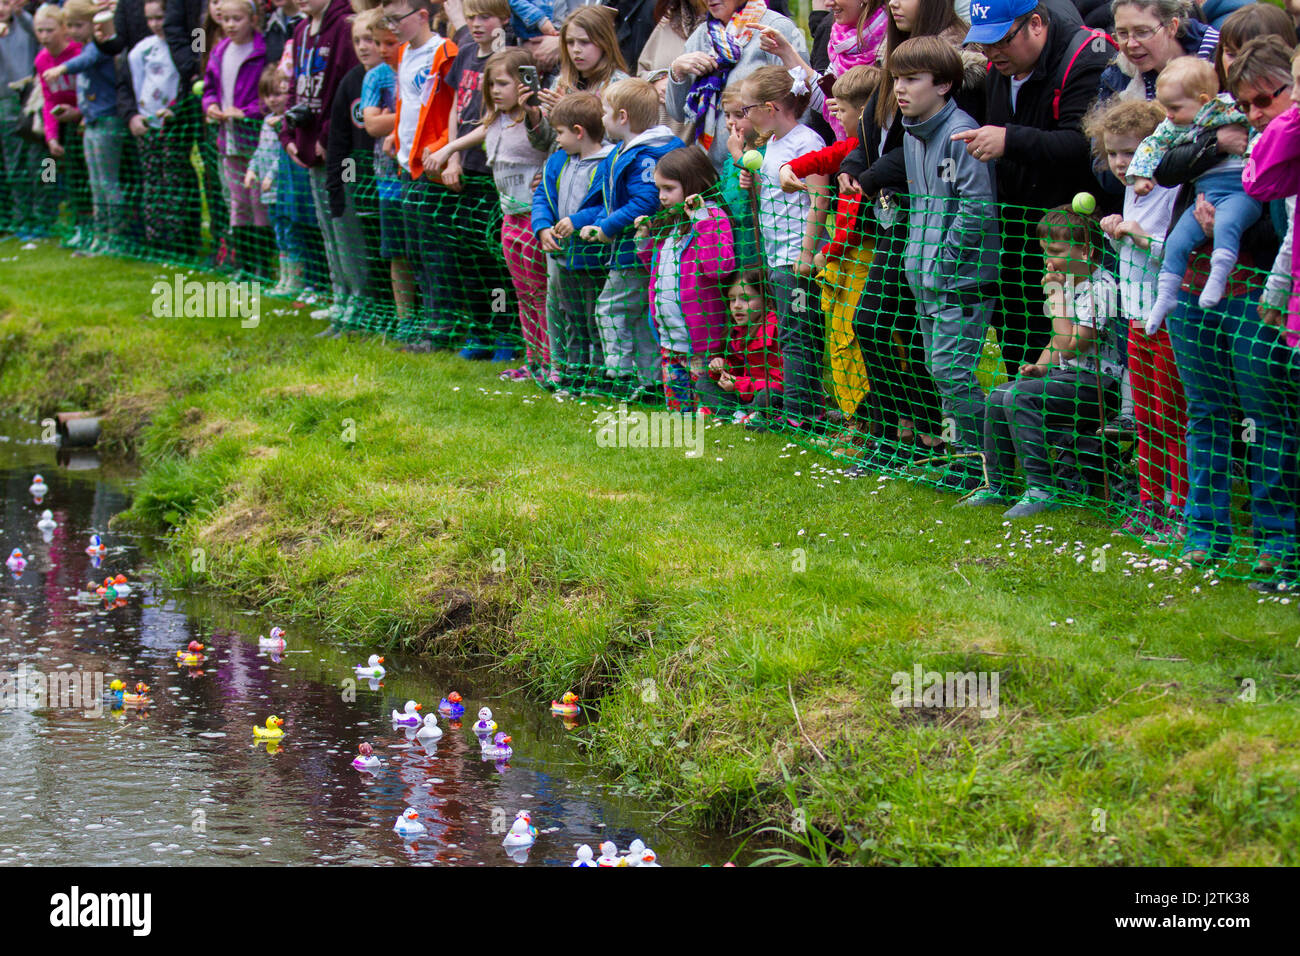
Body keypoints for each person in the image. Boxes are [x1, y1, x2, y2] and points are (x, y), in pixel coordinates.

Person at [1155, 34, 1295, 575]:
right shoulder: (1215, 116)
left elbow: (1286, 231)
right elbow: (1167, 165)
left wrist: (1239, 227)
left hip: (1255, 290)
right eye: (1246, 99)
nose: (1254, 112)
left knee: (1266, 414)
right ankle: (1204, 531)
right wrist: (1218, 144)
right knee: (1206, 411)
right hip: (1192, 286)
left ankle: (1278, 538)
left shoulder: (1285, 135)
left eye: (1264, 99)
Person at [837, 0, 973, 466]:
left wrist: (871, 175)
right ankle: (900, 425)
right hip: (901, 226)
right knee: (876, 324)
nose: (893, 3)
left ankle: (940, 438)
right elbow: (869, 135)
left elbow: (939, 159)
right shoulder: (890, 72)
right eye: (897, 79)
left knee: (908, 336)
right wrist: (854, 164)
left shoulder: (951, 65)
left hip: (928, 230)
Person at [958, 0, 1111, 379]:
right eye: (983, 45)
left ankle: (1076, 434)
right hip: (1016, 227)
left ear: (1036, 24)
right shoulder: (998, 69)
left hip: (1069, 234)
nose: (992, 54)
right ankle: (1023, 419)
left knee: (1068, 341)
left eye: (1002, 41)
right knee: (1015, 332)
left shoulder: (1086, 59)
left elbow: (1084, 146)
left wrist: (1010, 141)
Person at [966, 207, 1123, 517]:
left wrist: (1058, 302)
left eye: (1056, 251)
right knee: (999, 395)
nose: (1048, 260)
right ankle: (997, 484)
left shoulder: (1100, 288)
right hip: (1071, 379)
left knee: (1020, 397)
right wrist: (1040, 367)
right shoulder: (1068, 282)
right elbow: (1056, 342)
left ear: (1087, 251)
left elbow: (1072, 345)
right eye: (1044, 252)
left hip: (1101, 388)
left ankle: (1041, 487)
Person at [892, 35, 999, 490]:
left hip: (961, 283)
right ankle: (964, 460)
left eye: (912, 79)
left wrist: (944, 261)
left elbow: (978, 207)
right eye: (896, 77)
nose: (900, 88)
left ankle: (991, 467)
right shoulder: (912, 132)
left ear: (944, 85)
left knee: (952, 372)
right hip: (926, 281)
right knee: (942, 374)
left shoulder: (961, 134)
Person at [1087, 95, 1186, 540]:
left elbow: (1175, 256)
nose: (1122, 163)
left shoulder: (1171, 191)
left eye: (1131, 151)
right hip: (1134, 318)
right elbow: (1132, 256)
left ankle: (1179, 506)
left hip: (1164, 320)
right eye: (1113, 153)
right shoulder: (1130, 192)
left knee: (1171, 417)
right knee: (1144, 417)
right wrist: (1116, 234)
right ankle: (1149, 503)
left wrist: (1140, 237)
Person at [438, 47, 553, 380]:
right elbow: (480, 132)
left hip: (535, 218)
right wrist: (449, 148)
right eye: (490, 85)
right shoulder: (496, 119)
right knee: (522, 293)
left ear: (523, 83)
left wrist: (533, 110)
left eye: (503, 83)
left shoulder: (534, 117)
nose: (495, 91)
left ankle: (551, 362)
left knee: (540, 291)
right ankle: (534, 360)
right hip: (510, 219)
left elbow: (547, 138)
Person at [570, 77, 683, 401]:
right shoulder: (622, 152)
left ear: (622, 117)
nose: (602, 119)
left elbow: (645, 202)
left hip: (637, 250)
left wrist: (607, 228)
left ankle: (619, 373)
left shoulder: (647, 156)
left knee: (610, 309)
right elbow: (606, 201)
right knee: (634, 313)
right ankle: (649, 381)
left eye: (605, 112)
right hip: (626, 249)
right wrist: (579, 221)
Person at [779, 64, 875, 437]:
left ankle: (865, 422)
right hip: (842, 258)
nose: (837, 118)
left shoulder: (873, 153)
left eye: (843, 112)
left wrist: (828, 251)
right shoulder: (853, 147)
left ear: (864, 113)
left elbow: (857, 221)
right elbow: (827, 156)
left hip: (859, 259)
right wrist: (792, 167)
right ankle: (857, 418)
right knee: (838, 335)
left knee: (850, 336)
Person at [1128, 56, 1258, 320]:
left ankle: (1218, 275)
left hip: (1238, 191)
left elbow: (1258, 131)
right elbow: (1153, 144)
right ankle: (1165, 296)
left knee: (1225, 225)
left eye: (1174, 107)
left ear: (1202, 101)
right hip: (1204, 195)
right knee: (1176, 241)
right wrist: (1141, 174)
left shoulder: (1231, 109)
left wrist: (1250, 156)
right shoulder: (1175, 124)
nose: (1168, 114)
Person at [737, 63, 828, 430]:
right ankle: (799, 409)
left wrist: (806, 255)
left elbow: (819, 200)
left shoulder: (807, 142)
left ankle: (802, 415)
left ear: (770, 107)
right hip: (777, 256)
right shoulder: (771, 144)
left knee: (798, 335)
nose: (744, 117)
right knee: (791, 332)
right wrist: (751, 182)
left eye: (747, 109)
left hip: (796, 260)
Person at [433, 0, 519, 360]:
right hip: (463, 168)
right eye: (471, 18)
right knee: (466, 255)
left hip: (493, 172)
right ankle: (479, 329)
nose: (477, 24)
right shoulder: (466, 50)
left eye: (485, 17)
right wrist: (453, 155)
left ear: (504, 19)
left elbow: (495, 118)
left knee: (493, 259)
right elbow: (455, 106)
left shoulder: (508, 59)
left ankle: (505, 334)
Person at [380, 0, 457, 351]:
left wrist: (443, 146)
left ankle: (442, 329)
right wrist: (396, 136)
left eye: (397, 19)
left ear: (422, 15)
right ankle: (428, 323)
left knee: (435, 250)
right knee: (414, 249)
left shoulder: (444, 51)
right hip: (406, 164)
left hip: (433, 167)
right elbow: (406, 104)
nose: (392, 27)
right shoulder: (402, 54)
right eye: (387, 20)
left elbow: (458, 106)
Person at [634, 145, 735, 411]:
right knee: (679, 412)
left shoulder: (711, 216)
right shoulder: (671, 223)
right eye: (659, 189)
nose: (662, 197)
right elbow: (660, 272)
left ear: (691, 183)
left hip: (702, 344)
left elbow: (718, 267)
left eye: (669, 188)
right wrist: (645, 242)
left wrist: (701, 220)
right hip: (670, 340)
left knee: (708, 412)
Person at [282, 0, 361, 326]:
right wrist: (287, 133)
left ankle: (359, 301)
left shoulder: (344, 26)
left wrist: (327, 137)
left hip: (336, 148)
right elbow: (292, 86)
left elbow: (343, 88)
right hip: (306, 143)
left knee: (344, 226)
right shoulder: (300, 29)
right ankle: (339, 296)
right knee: (326, 227)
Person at [665, 0, 806, 172]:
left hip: (765, 168)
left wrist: (791, 165)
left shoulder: (775, 28)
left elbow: (801, 101)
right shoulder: (702, 36)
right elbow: (678, 113)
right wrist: (677, 72)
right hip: (713, 171)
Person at [531, 91, 612, 392]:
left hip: (592, 258)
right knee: (570, 316)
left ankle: (601, 376)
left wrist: (578, 222)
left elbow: (609, 205)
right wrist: (542, 227)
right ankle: (572, 374)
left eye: (560, 133)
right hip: (561, 256)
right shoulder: (557, 161)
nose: (558, 139)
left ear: (579, 132)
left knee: (595, 318)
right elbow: (542, 197)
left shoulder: (609, 163)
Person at [44, 0, 125, 254]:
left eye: (78, 25)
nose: (73, 31)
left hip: (106, 121)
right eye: (69, 26)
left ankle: (115, 237)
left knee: (108, 182)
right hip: (90, 122)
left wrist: (62, 68)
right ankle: (100, 236)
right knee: (96, 182)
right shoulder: (87, 48)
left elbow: (86, 61)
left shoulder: (99, 47)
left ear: (93, 24)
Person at [323, 8, 385, 334]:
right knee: (359, 249)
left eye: (371, 40)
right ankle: (361, 314)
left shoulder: (394, 77)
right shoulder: (351, 82)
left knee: (389, 252)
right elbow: (339, 142)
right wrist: (341, 188)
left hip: (390, 183)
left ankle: (393, 316)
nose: (363, 47)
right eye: (358, 40)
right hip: (359, 184)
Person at [202, 0, 273, 280]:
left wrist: (246, 112)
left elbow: (269, 94)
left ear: (252, 19)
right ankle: (243, 263)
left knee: (258, 201)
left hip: (254, 137)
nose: (231, 24)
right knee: (237, 202)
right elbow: (209, 87)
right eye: (227, 19)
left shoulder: (262, 50)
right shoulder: (219, 51)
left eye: (237, 19)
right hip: (228, 139)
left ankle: (262, 265)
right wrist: (210, 106)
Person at [128, 0, 200, 258]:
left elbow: (188, 81)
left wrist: (177, 110)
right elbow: (137, 84)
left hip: (174, 125)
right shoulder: (141, 50)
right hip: (149, 124)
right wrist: (137, 114)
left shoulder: (183, 47)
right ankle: (157, 239)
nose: (156, 24)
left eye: (160, 17)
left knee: (176, 180)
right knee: (153, 182)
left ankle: (182, 239)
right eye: (151, 19)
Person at [360, 11, 413, 329]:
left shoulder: (415, 68)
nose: (382, 49)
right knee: (396, 251)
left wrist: (392, 116)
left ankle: (438, 318)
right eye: (377, 42)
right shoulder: (375, 77)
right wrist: (406, 115)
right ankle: (405, 318)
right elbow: (371, 125)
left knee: (421, 249)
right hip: (387, 179)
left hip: (417, 174)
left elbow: (425, 112)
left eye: (389, 42)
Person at [524, 5, 630, 154]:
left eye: (584, 42)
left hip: (598, 171)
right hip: (562, 172)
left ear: (605, 42)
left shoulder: (620, 86)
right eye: (570, 42)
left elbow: (620, 141)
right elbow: (544, 143)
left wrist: (571, 113)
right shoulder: (562, 82)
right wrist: (534, 115)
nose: (576, 49)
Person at [247, 63, 306, 297]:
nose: (272, 99)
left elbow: (283, 157)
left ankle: (296, 280)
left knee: (291, 234)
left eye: (278, 93)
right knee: (280, 235)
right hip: (268, 193)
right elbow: (261, 150)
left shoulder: (287, 123)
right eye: (268, 94)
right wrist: (252, 169)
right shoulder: (267, 122)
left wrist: (271, 175)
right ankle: (284, 278)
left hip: (283, 189)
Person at [695, 268, 784, 421]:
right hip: (745, 393)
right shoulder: (737, 330)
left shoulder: (774, 329)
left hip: (765, 393)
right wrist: (722, 368)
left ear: (766, 300)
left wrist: (739, 384)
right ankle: (740, 414)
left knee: (770, 396)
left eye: (745, 299)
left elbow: (781, 382)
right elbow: (738, 368)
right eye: (732, 299)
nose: (736, 305)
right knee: (704, 382)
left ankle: (737, 414)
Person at [1098, 0, 1219, 104]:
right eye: (1122, 34)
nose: (1131, 44)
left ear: (1172, 27)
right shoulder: (1119, 71)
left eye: (1142, 32)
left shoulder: (1220, 57)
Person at [0, 0, 44, 238]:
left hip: (33, 100)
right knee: (14, 164)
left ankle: (45, 214)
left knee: (45, 161)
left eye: (6, 2)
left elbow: (34, 28)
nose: (1, 8)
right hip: (6, 105)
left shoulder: (26, 25)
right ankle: (21, 216)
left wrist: (19, 12)